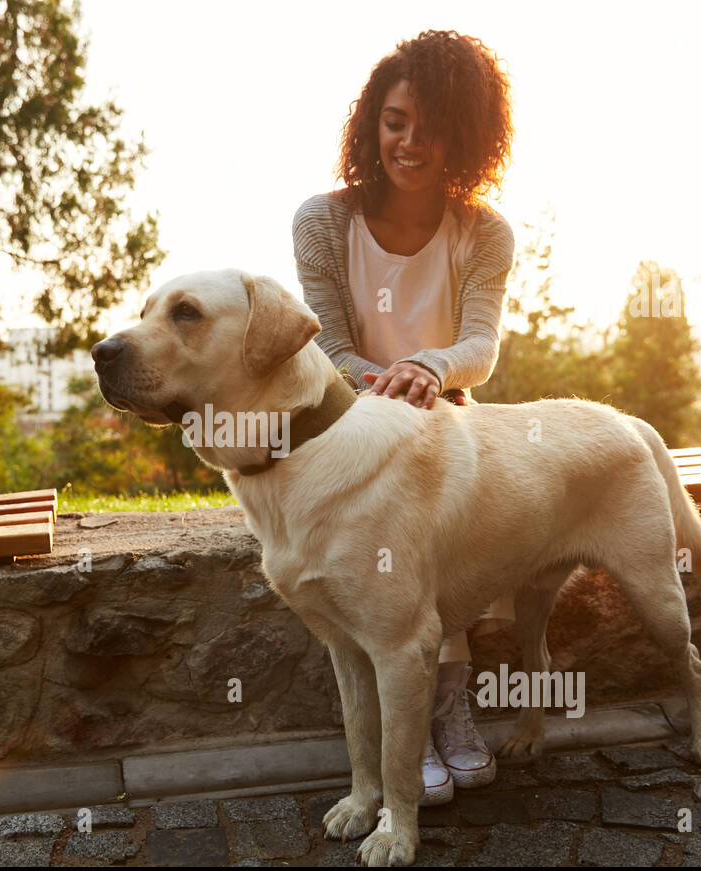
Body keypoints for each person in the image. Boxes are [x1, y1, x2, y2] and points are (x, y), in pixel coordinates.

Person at [291, 29, 517, 805]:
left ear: (466, 135)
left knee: (451, 542)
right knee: (389, 559)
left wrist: (431, 368)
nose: (409, 141)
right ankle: (408, 727)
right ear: (370, 124)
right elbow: (327, 346)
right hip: (347, 429)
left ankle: (448, 709)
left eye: (431, 126)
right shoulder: (322, 222)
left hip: (445, 421)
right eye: (395, 121)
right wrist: (385, 382)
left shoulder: (485, 232)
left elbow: (481, 348)